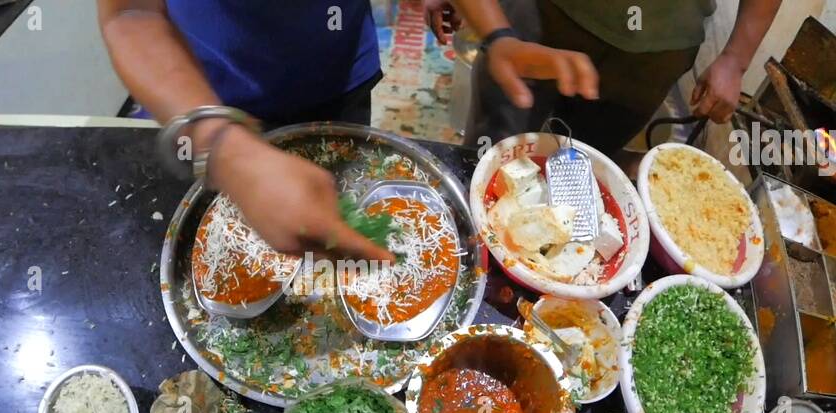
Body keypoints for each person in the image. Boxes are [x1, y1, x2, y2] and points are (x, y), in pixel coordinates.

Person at [97, 0, 600, 259]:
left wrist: (497, 33)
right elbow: (130, 12)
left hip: (334, 74)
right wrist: (223, 147)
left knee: (332, 222)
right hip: (198, 89)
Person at [425, 0, 781, 157]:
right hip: (541, 15)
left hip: (655, 51)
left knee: (581, 162)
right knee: (491, 147)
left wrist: (735, 59)